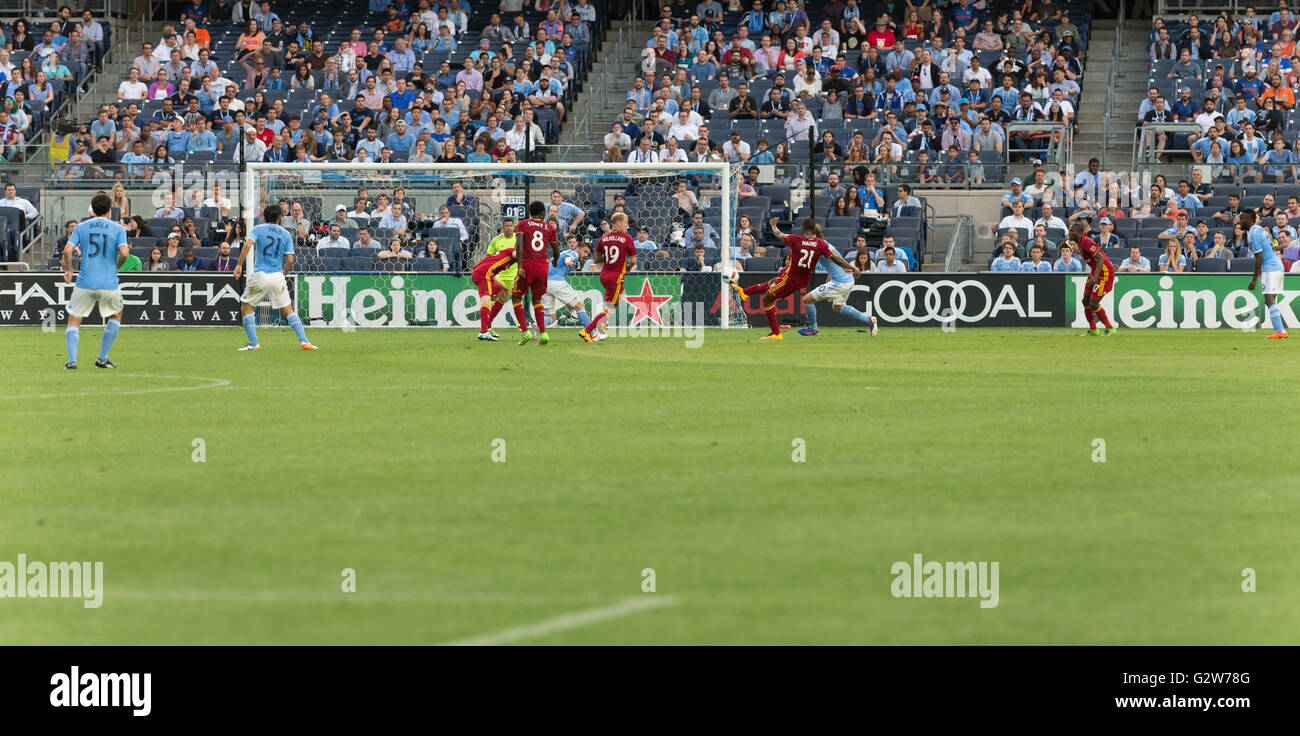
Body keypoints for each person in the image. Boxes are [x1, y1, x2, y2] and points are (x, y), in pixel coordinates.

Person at [730, 218, 856, 340]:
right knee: (773, 282)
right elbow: (836, 259)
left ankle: (776, 333)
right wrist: (851, 268)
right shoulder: (821, 244)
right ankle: (745, 292)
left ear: (802, 229)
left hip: (791, 279)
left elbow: (779, 234)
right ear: (813, 231)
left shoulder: (796, 240)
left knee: (767, 299)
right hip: (799, 278)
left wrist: (773, 226)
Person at [231, 204, 316, 351]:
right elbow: (290, 260)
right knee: (289, 310)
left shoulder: (258, 229)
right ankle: (304, 341)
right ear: (280, 217)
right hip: (277, 276)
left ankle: (253, 343)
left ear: (264, 217)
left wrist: (239, 265)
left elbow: (248, 245)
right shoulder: (286, 234)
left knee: (246, 307)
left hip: (261, 274)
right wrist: (282, 275)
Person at [62, 193, 129, 370]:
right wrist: (117, 266)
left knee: (74, 320)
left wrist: (69, 270)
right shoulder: (118, 228)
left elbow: (68, 251)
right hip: (109, 282)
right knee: (116, 315)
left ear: (92, 209)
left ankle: (72, 361)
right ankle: (102, 358)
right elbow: (124, 253)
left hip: (85, 281)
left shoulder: (82, 227)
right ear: (110, 210)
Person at [798, 239, 875, 337]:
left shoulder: (819, 248)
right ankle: (869, 319)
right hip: (847, 279)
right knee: (838, 307)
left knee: (807, 300)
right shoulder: (827, 244)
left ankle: (813, 329)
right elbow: (834, 264)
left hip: (840, 282)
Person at [579, 212, 637, 343]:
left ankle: (602, 323)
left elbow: (597, 258)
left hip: (604, 275)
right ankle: (588, 330)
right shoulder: (627, 238)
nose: (627, 226)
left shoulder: (603, 238)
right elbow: (633, 261)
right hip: (616, 277)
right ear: (618, 223)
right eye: (626, 223)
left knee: (621, 295)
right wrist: (626, 269)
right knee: (610, 308)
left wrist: (608, 261)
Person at [511, 201, 558, 344]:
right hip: (542, 268)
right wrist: (555, 261)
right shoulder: (549, 227)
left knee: (516, 297)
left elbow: (519, 244)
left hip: (527, 266)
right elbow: (556, 250)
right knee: (537, 300)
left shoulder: (522, 224)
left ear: (530, 213)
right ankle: (543, 334)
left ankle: (525, 332)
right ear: (543, 213)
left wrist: (519, 266)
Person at [1242, 209, 1290, 338]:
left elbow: (1259, 257)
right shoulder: (1257, 229)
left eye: (1243, 219)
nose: (1241, 221)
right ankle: (1280, 330)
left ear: (1251, 220)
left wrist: (1254, 279)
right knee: (1270, 300)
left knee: (1269, 300)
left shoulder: (1254, 234)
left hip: (1270, 267)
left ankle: (1280, 331)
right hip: (1275, 265)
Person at [1070, 222, 1117, 336]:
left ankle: (1110, 329)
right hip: (1095, 271)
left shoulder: (1086, 242)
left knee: (1094, 302)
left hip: (1104, 272)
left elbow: (1100, 258)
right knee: (1085, 301)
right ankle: (1093, 330)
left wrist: (1095, 277)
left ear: (1079, 232)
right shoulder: (1080, 243)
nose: (1070, 233)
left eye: (1072, 231)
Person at [543, 234, 594, 332]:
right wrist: (568, 262)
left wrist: (568, 304)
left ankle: (536, 325)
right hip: (556, 282)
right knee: (580, 306)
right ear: (578, 248)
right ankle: (592, 334)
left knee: (551, 318)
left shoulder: (564, 252)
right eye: (585, 251)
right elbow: (568, 258)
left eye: (588, 253)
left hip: (545, 284)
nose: (586, 255)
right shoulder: (573, 253)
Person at [472, 239, 519, 341]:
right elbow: (517, 254)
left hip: (487, 274)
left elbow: (493, 268)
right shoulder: (512, 252)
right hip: (483, 273)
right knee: (486, 301)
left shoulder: (508, 258)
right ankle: (483, 332)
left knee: (504, 292)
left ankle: (488, 326)